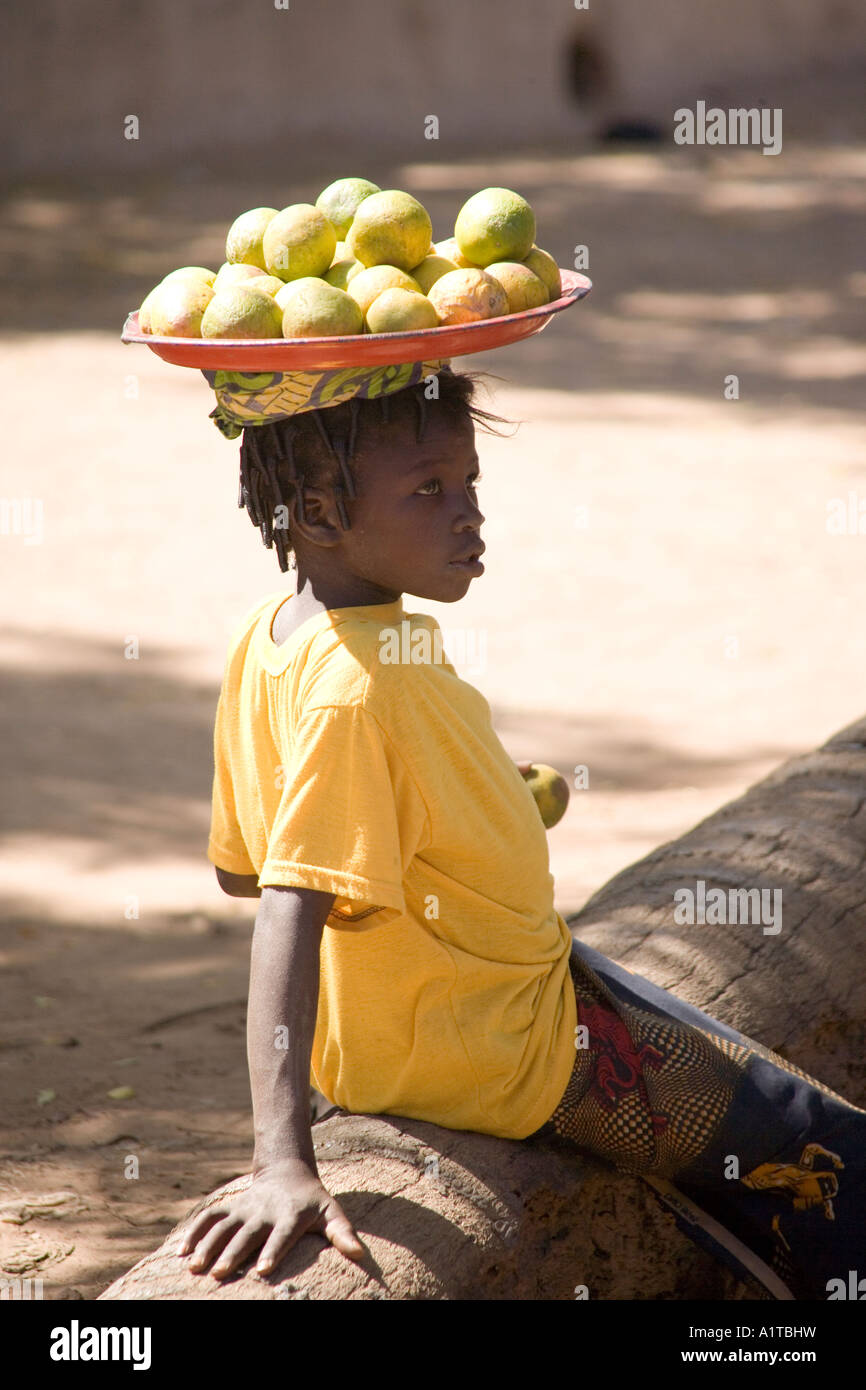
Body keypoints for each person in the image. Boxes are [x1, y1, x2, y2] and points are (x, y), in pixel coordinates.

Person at [179, 364, 865, 1300]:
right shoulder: (363, 689)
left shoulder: (275, 639)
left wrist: (469, 807)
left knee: (734, 1144)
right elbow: (286, 907)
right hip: (502, 1049)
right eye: (429, 490)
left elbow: (248, 866)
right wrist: (281, 1161)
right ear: (318, 512)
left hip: (432, 1027)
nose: (470, 515)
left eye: (470, 483)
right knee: (818, 1151)